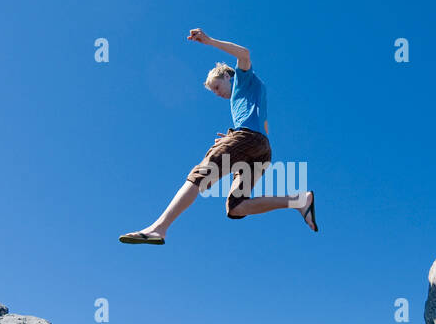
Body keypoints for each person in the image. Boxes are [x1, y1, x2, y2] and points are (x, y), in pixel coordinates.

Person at [119, 29, 317, 244]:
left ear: (226, 76)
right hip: (261, 149)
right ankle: (298, 201)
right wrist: (235, 142)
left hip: (248, 139)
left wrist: (209, 41)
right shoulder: (254, 94)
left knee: (199, 175)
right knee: (236, 207)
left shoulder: (242, 80)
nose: (217, 93)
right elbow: (264, 128)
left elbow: (244, 54)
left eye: (217, 87)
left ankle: (159, 228)